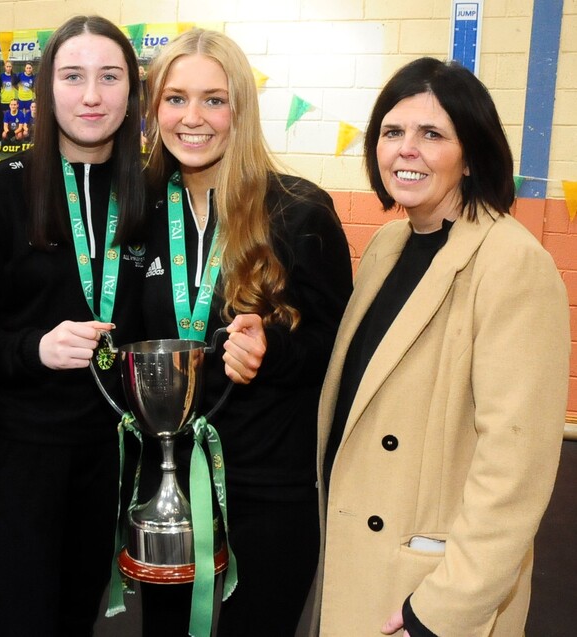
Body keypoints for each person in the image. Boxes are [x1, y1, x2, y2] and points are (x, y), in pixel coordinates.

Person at [316, 57, 569, 636]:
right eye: (392, 131)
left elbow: (514, 469)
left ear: (471, 153)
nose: (407, 149)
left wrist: (442, 610)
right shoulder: (387, 245)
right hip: (360, 561)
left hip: (427, 594)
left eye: (433, 134)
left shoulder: (512, 264)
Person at [139, 28, 353, 637]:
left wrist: (273, 352)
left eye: (214, 98)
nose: (193, 118)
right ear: (155, 109)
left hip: (267, 492)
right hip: (170, 490)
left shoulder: (300, 211)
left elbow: (339, 350)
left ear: (241, 108)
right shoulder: (141, 212)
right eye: (175, 98)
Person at [0, 15, 146, 637]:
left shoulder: (152, 195)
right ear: (47, 88)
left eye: (109, 76)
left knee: (76, 620)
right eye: (73, 76)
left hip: (109, 450)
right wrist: (33, 349)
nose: (91, 95)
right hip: (19, 450)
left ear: (131, 91)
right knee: (24, 620)